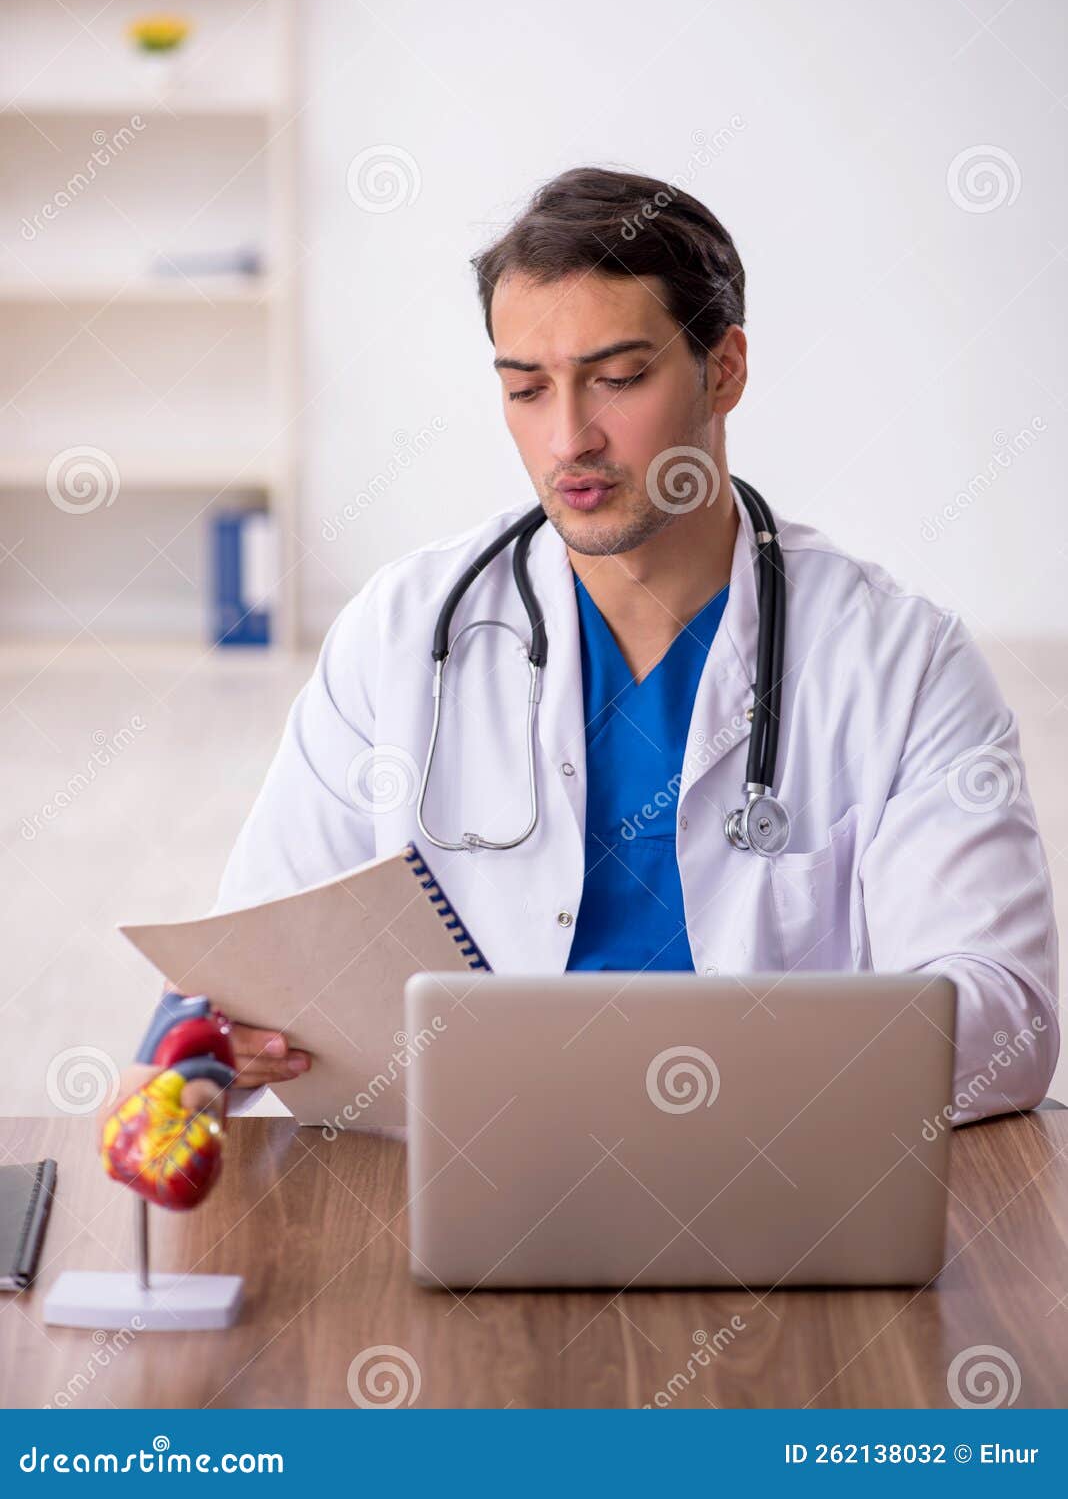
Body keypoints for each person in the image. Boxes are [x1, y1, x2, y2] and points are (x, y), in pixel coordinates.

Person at [206, 166, 1060, 1123]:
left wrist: (702, 1071)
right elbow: (256, 960)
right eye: (527, 389)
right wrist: (203, 1052)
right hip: (477, 1163)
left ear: (724, 369)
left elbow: (1006, 1017)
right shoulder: (401, 633)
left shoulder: (902, 661)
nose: (568, 439)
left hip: (773, 1157)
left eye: (617, 381)